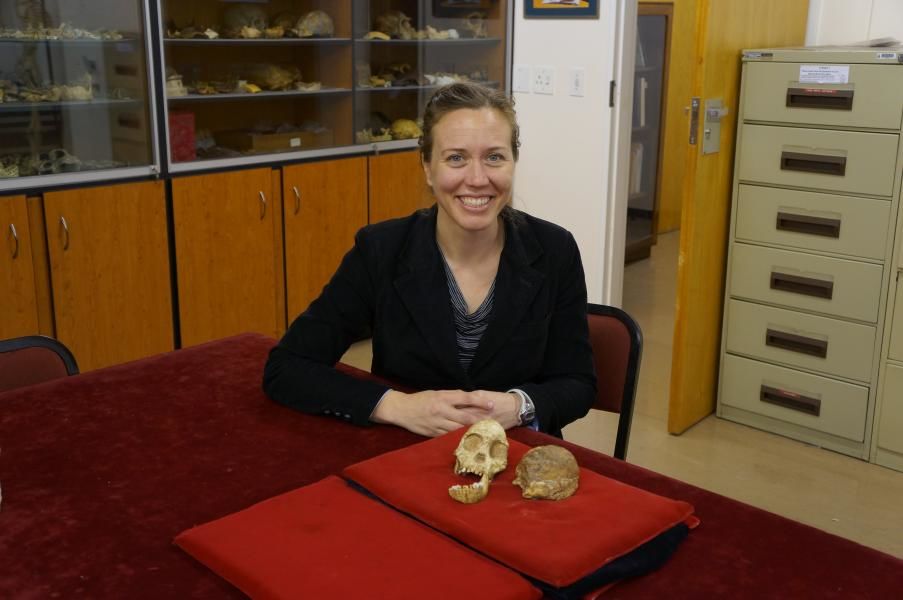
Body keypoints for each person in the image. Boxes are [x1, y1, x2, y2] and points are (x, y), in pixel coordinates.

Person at [263, 82, 596, 438]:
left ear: (514, 161)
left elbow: (577, 382)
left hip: (517, 457)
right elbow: (287, 367)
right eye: (456, 158)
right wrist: (395, 405)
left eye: (494, 157)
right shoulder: (381, 249)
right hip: (406, 453)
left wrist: (520, 405)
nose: (477, 178)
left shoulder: (554, 249)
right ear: (427, 167)